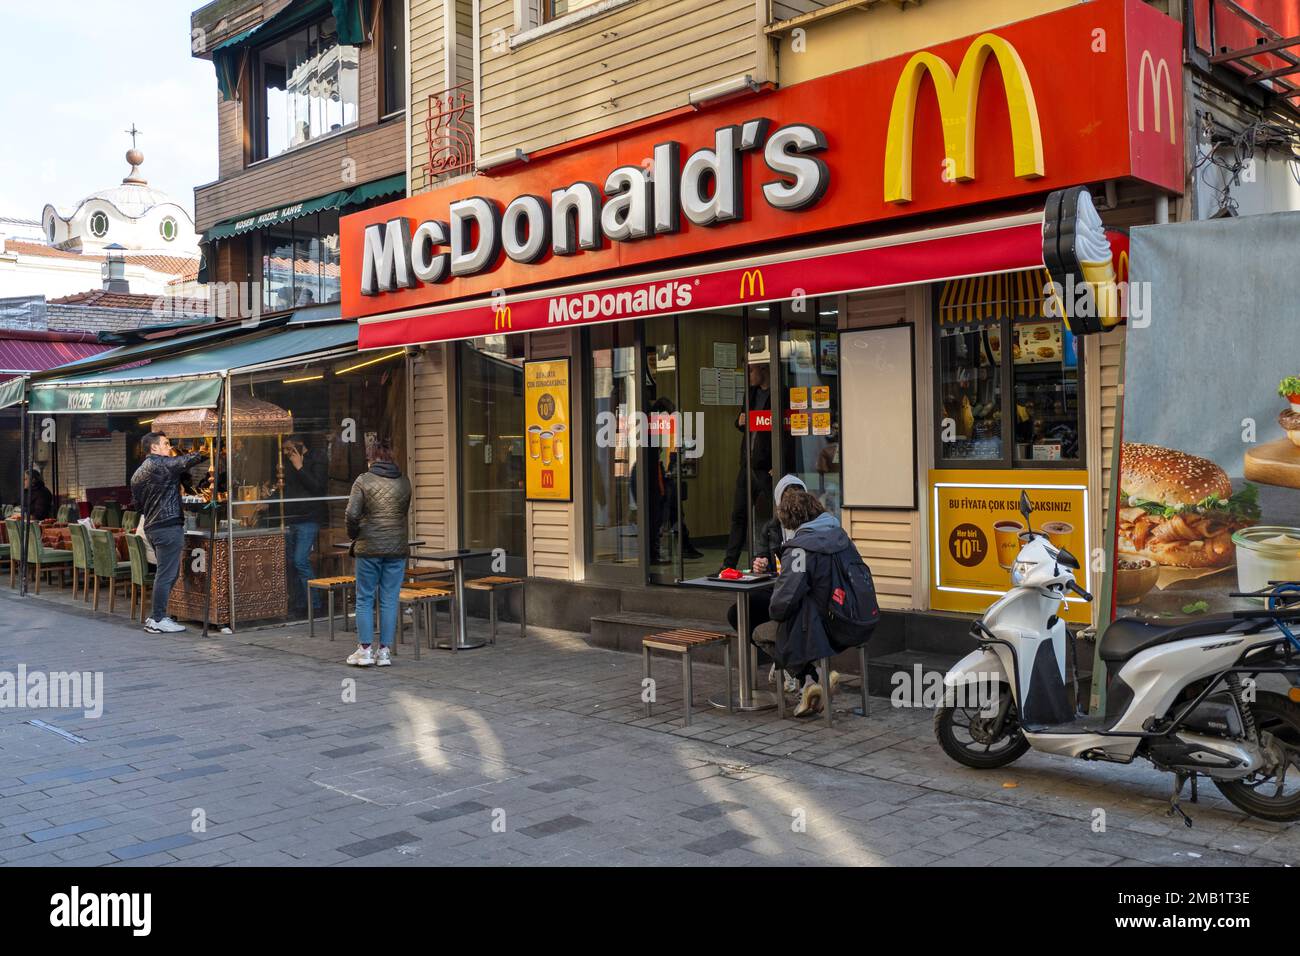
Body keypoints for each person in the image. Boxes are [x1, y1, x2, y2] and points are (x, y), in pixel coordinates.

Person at [752, 488, 859, 717]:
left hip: (820, 627)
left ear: (790, 518)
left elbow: (784, 600)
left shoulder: (801, 547)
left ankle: (814, 678)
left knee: (763, 633)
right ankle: (812, 681)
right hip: (850, 618)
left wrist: (776, 613)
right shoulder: (840, 535)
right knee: (794, 628)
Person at [728, 474, 805, 689]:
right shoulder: (771, 528)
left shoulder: (811, 527)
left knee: (784, 612)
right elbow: (761, 559)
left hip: (801, 594)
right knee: (738, 613)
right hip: (776, 590)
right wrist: (759, 564)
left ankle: (791, 666)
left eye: (796, 501)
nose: (791, 507)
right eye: (786, 502)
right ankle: (783, 661)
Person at [344, 438, 411, 667]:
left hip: (369, 547)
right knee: (389, 599)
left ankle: (364, 650)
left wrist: (355, 535)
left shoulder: (363, 481)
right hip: (397, 547)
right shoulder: (404, 482)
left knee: (364, 598)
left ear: (371, 457)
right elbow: (403, 512)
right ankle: (384, 653)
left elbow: (352, 514)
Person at [129, 433, 206, 634]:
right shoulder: (162, 464)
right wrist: (208, 449)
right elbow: (188, 460)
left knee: (167, 573)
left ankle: (158, 615)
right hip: (168, 526)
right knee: (166, 574)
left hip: (152, 527)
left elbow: (138, 506)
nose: (169, 447)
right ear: (154, 448)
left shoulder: (137, 474)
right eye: (165, 444)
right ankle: (158, 618)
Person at [723, 363, 773, 569]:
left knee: (777, 516)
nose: (748, 375)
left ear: (764, 370)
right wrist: (739, 422)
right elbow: (743, 422)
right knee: (739, 515)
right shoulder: (750, 394)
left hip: (768, 466)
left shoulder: (780, 393)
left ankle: (773, 563)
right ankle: (728, 565)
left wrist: (778, 463)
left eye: (751, 370)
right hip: (747, 464)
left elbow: (788, 430)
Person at [283, 434, 329, 617]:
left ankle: (315, 604)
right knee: (293, 563)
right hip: (292, 517)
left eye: (289, 449)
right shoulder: (288, 464)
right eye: (284, 450)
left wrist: (300, 467)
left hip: (309, 518)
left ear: (300, 446)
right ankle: (301, 603)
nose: (286, 453)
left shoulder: (316, 459)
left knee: (301, 560)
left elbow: (318, 488)